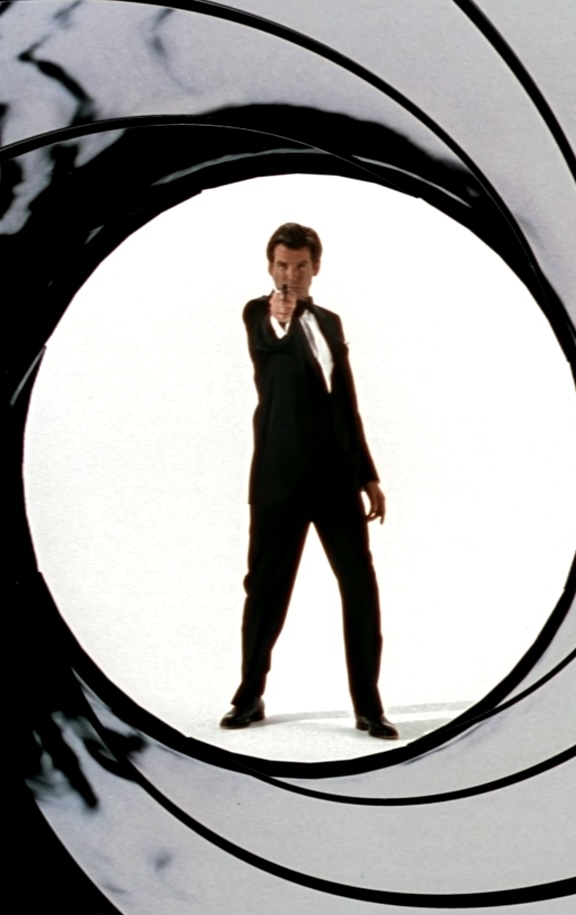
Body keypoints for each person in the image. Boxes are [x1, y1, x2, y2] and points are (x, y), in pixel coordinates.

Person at [220, 222, 398, 740]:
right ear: (270, 267)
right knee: (265, 588)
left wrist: (368, 474)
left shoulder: (332, 322)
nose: (290, 276)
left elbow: (346, 402)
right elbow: (270, 336)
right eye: (282, 265)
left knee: (360, 587)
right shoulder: (259, 314)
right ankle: (249, 696)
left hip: (337, 477)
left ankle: (369, 707)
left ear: (315, 267)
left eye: (299, 266)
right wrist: (281, 317)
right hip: (279, 480)